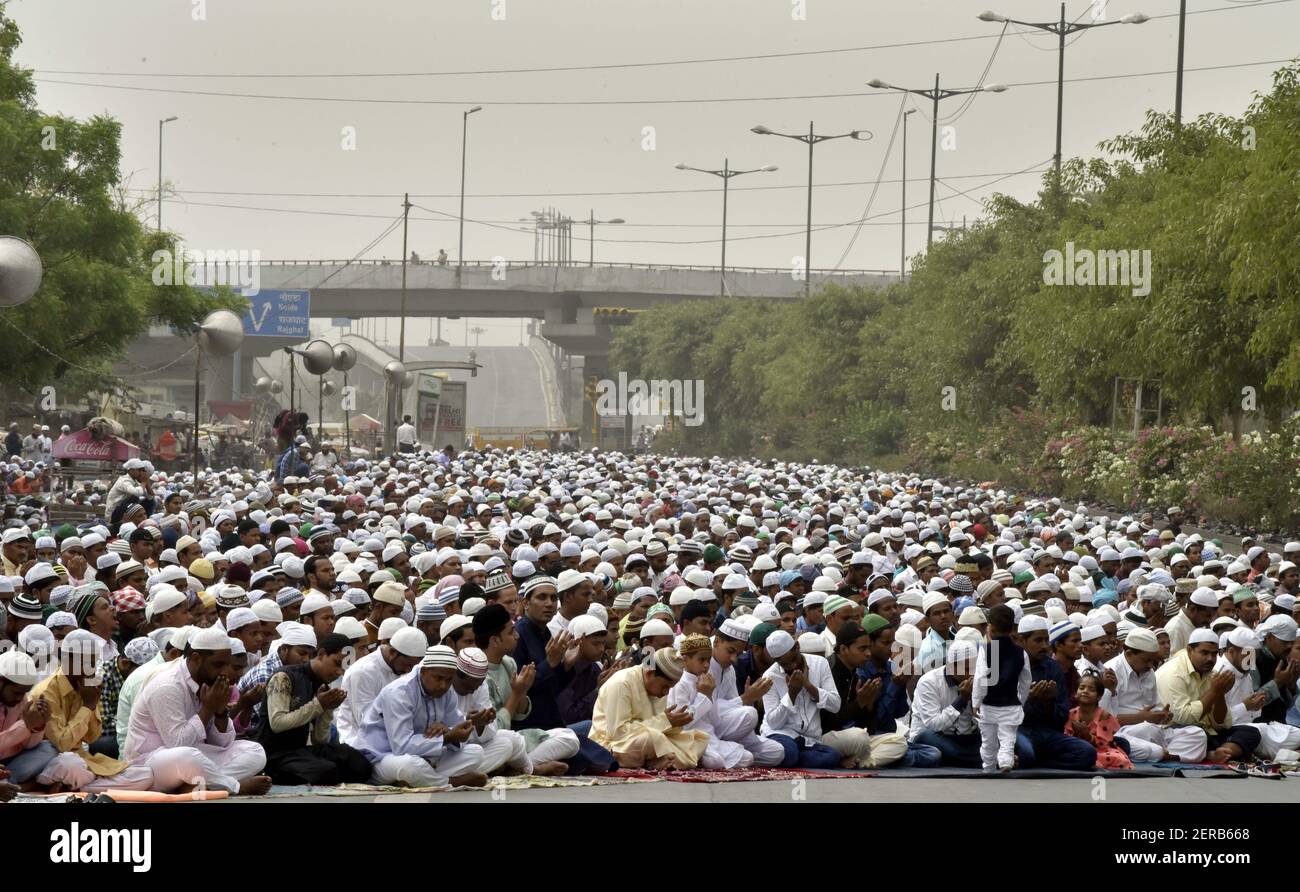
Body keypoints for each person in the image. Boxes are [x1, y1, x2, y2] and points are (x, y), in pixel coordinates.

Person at [123, 625, 271, 795]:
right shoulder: (167, 685)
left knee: (255, 751)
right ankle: (233, 786)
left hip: (194, 756)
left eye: (226, 665)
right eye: (218, 665)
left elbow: (222, 744)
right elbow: (178, 744)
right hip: (151, 762)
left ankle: (197, 784)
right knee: (187, 756)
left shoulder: (209, 681)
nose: (224, 672)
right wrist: (208, 708)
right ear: (196, 658)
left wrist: (220, 712)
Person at [355, 644, 488, 788]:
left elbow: (456, 728)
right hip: (382, 758)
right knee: (409, 766)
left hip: (422, 755)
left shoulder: (447, 692)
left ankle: (418, 780)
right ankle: (449, 782)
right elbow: (402, 747)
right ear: (424, 671)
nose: (443, 685)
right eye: (438, 678)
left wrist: (449, 731)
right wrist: (446, 738)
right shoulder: (399, 693)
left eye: (449, 680)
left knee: (476, 753)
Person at [254, 632, 373, 785]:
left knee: (361, 765)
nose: (339, 672)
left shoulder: (321, 685)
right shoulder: (284, 677)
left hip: (301, 751)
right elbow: (278, 723)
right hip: (275, 754)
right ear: (322, 654)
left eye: (343, 668)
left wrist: (327, 710)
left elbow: (319, 740)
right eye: (337, 664)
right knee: (326, 772)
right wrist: (319, 705)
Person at [590, 646, 708, 769]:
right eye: (665, 686)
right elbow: (618, 732)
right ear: (649, 673)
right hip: (610, 744)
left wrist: (673, 724)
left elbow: (656, 726)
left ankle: (659, 761)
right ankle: (659, 761)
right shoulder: (621, 683)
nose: (666, 692)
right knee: (652, 738)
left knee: (698, 739)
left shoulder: (656, 687)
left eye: (670, 688)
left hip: (648, 740)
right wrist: (665, 721)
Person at [1156, 628, 1261, 763]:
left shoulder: (1211, 673)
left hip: (1207, 732)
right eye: (1204, 653)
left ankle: (1221, 752)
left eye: (1214, 654)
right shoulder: (1173, 672)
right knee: (1198, 735)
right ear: (1189, 650)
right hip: (1178, 731)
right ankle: (1212, 754)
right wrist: (1213, 692)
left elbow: (1223, 723)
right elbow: (1183, 718)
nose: (1210, 659)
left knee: (1251, 732)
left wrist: (1219, 695)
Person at [757, 630, 846, 769]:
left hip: (808, 740)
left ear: (797, 646)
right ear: (777, 661)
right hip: (780, 734)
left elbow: (835, 705)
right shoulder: (770, 676)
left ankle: (787, 758)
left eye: (793, 660)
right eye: (785, 665)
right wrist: (791, 694)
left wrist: (808, 686)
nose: (792, 667)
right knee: (790, 751)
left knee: (832, 756)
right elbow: (773, 723)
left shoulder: (820, 664)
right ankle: (788, 756)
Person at [668, 633, 753, 769]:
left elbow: (714, 721)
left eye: (708, 660)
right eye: (701, 660)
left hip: (710, 738)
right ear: (685, 660)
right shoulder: (680, 684)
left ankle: (701, 758)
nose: (706, 665)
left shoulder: (707, 680)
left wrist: (710, 694)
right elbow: (683, 723)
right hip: (690, 738)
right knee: (716, 761)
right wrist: (704, 696)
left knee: (747, 757)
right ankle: (695, 757)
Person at [336, 627, 427, 747]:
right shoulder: (363, 672)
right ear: (392, 652)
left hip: (398, 738)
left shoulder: (401, 668)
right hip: (360, 743)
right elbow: (366, 722)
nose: (409, 670)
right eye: (408, 665)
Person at [972, 607, 1031, 773]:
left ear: (991, 627)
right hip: (1011, 704)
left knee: (988, 741)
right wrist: (1022, 699)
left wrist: (976, 701)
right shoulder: (1021, 653)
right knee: (1008, 739)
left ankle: (988, 767)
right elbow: (1026, 681)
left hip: (989, 704)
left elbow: (980, 679)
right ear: (1013, 628)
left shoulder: (986, 650)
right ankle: (1006, 761)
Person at [0, 650, 60, 788]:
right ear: (1, 682)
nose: (20, 698)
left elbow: (29, 746)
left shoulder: (20, 700)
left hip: (10, 762)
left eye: (24, 693)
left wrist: (37, 726)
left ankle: (8, 783)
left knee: (48, 748)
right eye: (16, 693)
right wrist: (25, 726)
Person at [1066, 672, 1133, 769]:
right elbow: (1066, 737)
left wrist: (1088, 736)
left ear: (1099, 696)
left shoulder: (1103, 715)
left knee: (1119, 759)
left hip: (1100, 750)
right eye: (1082, 688)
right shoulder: (1071, 714)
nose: (1085, 691)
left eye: (1091, 689)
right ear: (1076, 694)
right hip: (1078, 749)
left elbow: (1104, 744)